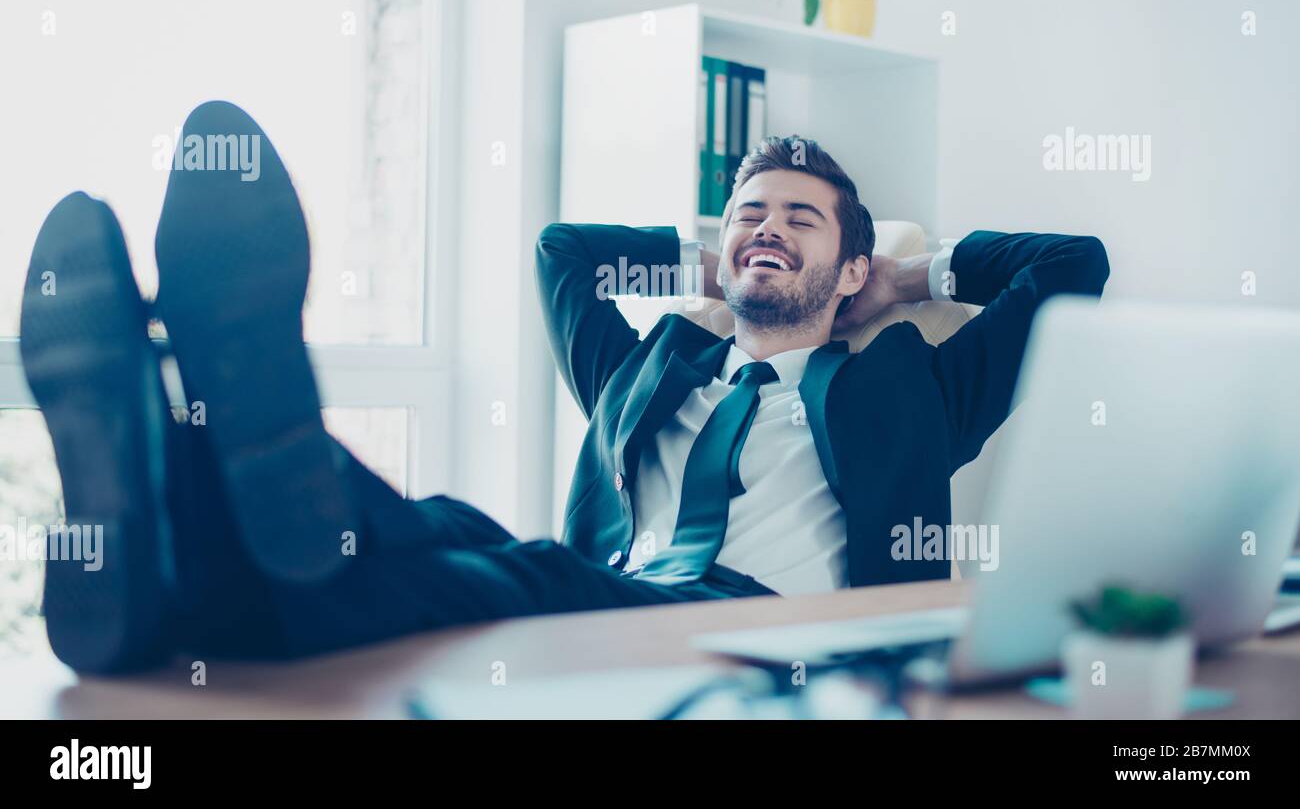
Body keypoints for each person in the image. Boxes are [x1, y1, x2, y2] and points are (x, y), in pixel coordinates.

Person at [21, 101, 1109, 674]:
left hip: (772, 642)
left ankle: (180, 476)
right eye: (749, 213)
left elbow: (1072, 266)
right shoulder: (646, 373)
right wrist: (712, 257)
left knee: (519, 570)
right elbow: (562, 253)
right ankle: (171, 550)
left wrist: (901, 279)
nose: (766, 227)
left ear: (852, 266)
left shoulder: (918, 388)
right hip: (608, 604)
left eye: (799, 219)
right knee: (443, 537)